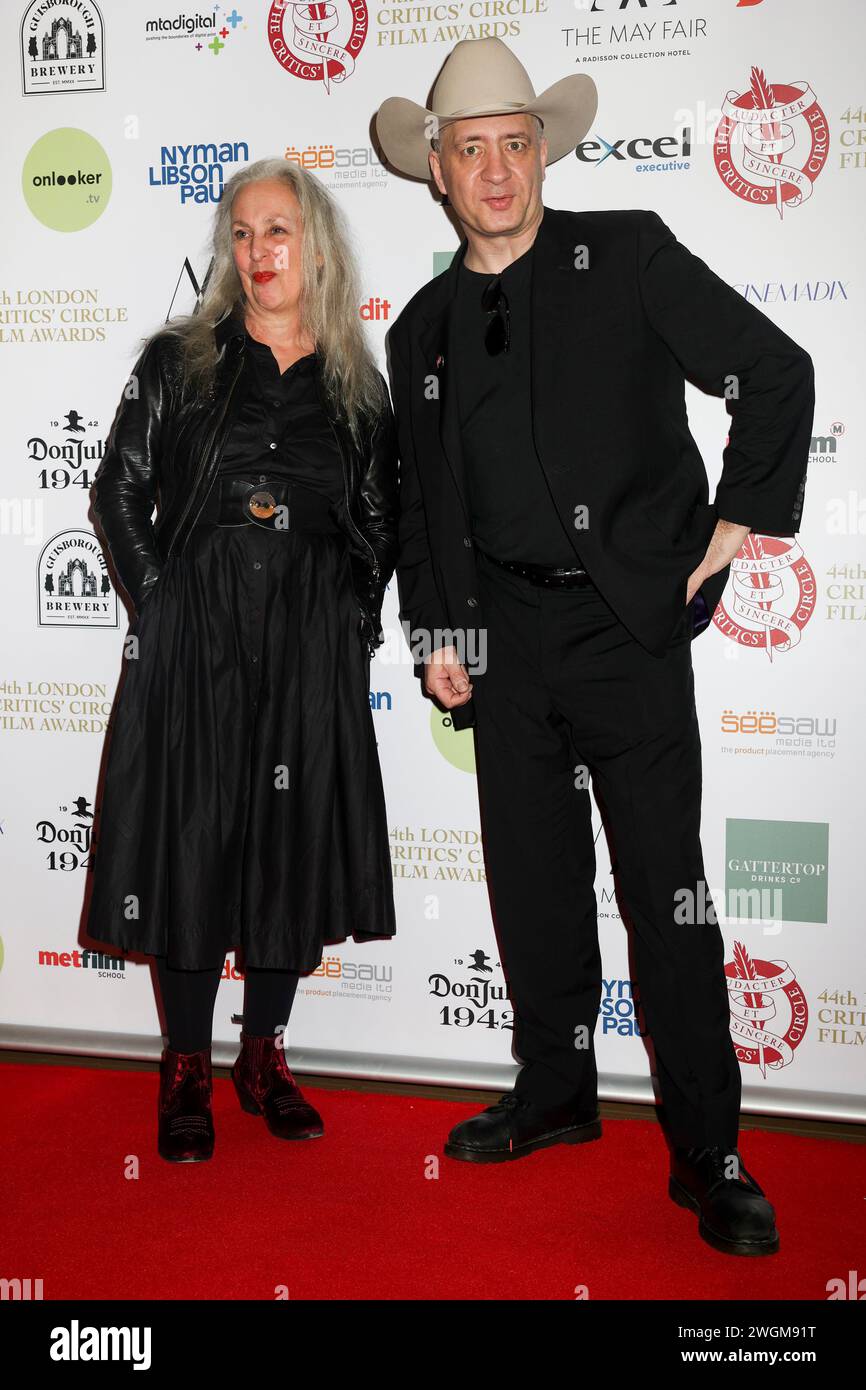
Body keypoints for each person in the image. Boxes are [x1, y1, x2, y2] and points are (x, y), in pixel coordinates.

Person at [376, 38, 814, 1255]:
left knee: (664, 899)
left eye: (515, 142)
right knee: (532, 890)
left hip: (623, 630)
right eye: (470, 148)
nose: (496, 167)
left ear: (540, 152)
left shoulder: (622, 253)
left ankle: (709, 1150)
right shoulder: (418, 330)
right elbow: (422, 508)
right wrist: (441, 634)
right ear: (438, 173)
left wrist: (729, 527)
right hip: (500, 640)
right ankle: (556, 1092)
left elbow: (774, 374)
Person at [86, 157, 399, 1163]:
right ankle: (184, 1066)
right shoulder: (180, 362)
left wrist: (348, 623)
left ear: (316, 248)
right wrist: (164, 601)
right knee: (193, 839)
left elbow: (378, 524)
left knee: (285, 844)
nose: (258, 251)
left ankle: (262, 1055)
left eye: (278, 231)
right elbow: (118, 492)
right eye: (243, 233)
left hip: (307, 645)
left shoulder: (357, 384)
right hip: (196, 636)